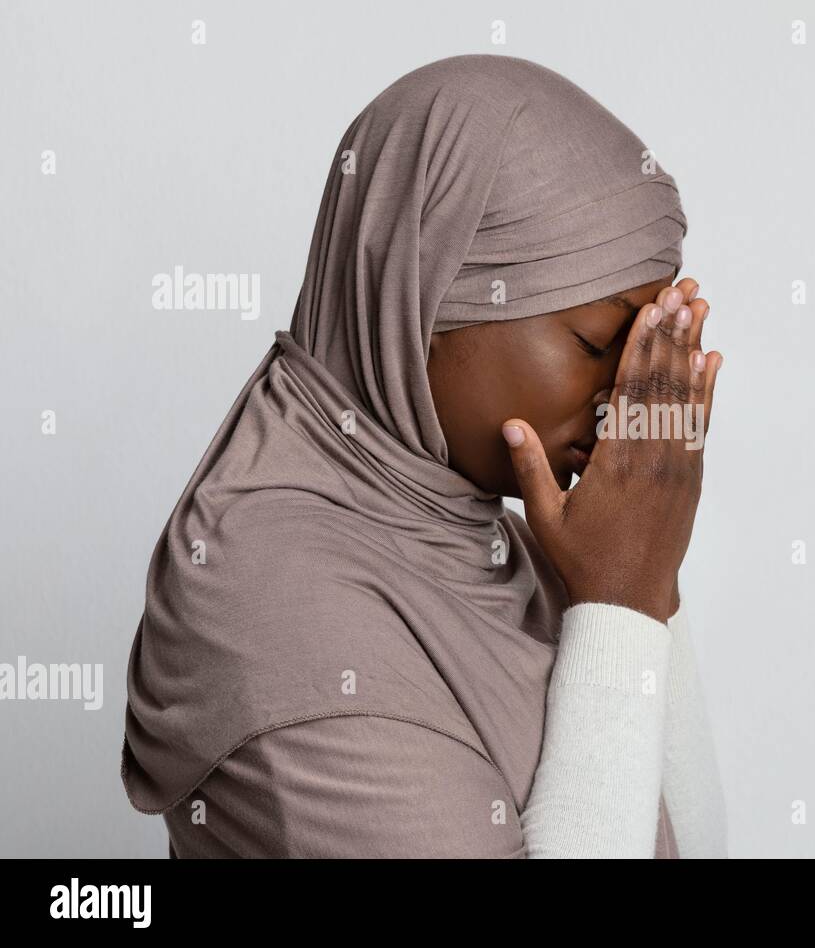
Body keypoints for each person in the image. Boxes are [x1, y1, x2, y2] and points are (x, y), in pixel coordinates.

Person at [119, 54, 727, 858]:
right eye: (597, 342)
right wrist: (623, 596)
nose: (632, 398)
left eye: (655, 345)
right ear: (423, 296)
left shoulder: (496, 538)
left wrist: (644, 582)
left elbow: (689, 845)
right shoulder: (283, 615)